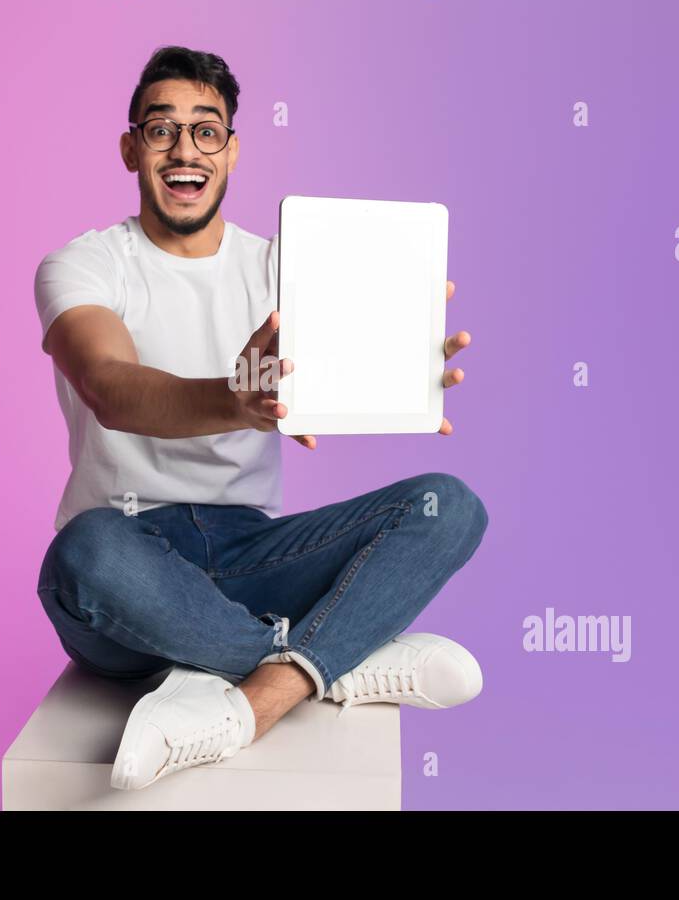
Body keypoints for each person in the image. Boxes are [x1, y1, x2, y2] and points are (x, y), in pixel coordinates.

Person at [33, 45, 488, 791]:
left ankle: (253, 692)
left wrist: (405, 369)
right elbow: (109, 387)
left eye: (207, 130)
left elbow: (345, 369)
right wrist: (235, 401)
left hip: (253, 555)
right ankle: (337, 661)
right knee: (84, 553)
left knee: (449, 505)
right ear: (130, 148)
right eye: (161, 129)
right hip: (128, 552)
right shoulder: (84, 265)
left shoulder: (285, 271)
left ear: (233, 150)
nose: (185, 149)